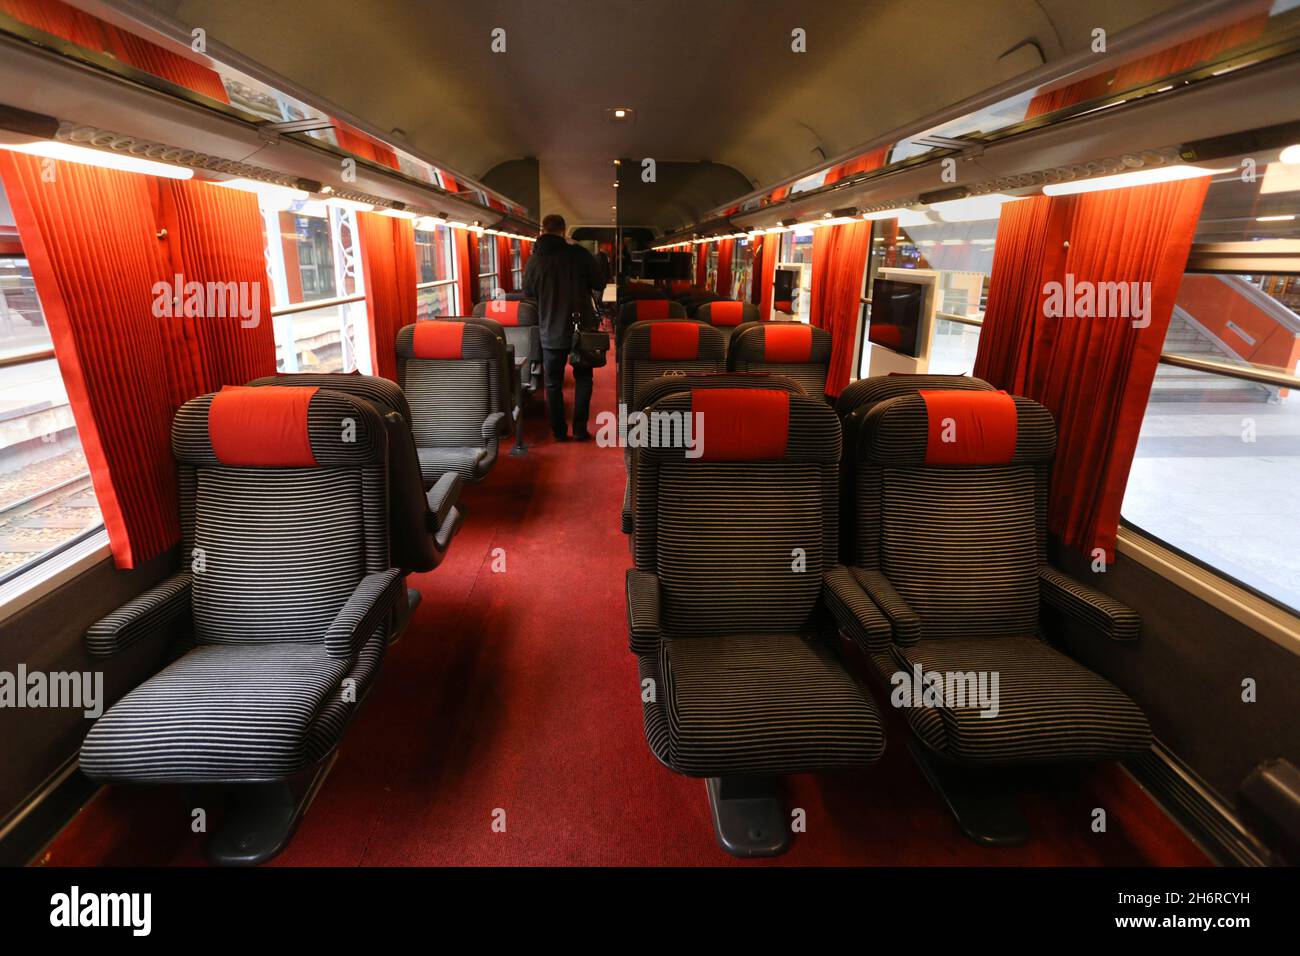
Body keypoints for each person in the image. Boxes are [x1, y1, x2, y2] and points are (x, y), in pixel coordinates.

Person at [522, 214, 605, 441]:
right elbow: (599, 283)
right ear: (563, 230)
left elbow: (528, 292)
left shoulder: (534, 260)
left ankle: (559, 432)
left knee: (552, 383)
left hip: (550, 327)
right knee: (584, 379)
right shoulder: (579, 254)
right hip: (582, 328)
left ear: (542, 230)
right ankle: (579, 430)